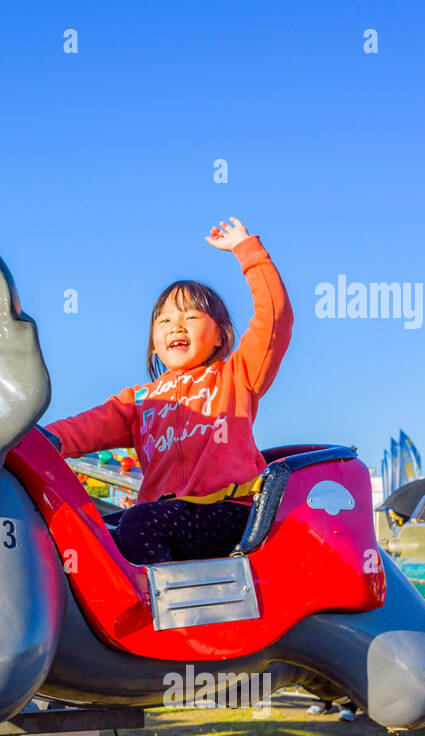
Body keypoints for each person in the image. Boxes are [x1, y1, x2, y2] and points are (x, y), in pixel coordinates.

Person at [46, 217, 293, 565]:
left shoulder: (236, 375)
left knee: (140, 523)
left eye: (190, 316)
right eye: (164, 320)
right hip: (163, 518)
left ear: (220, 335)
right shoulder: (141, 401)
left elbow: (275, 320)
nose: (175, 325)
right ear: (154, 345)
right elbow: (81, 429)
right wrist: (32, 442)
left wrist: (247, 251)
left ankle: (162, 612)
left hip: (228, 515)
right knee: (93, 538)